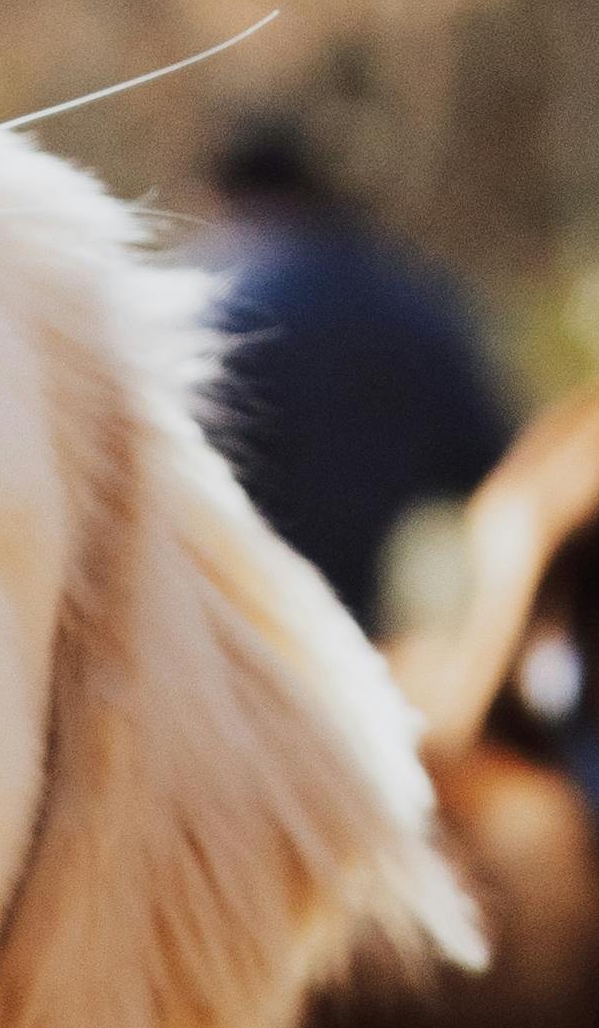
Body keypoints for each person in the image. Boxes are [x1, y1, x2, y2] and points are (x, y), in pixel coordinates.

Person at [186, 105, 520, 634]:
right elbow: (494, 459)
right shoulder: (404, 297)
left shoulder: (196, 302)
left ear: (220, 193)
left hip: (226, 628)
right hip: (362, 630)